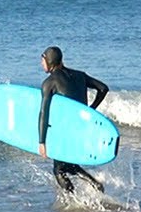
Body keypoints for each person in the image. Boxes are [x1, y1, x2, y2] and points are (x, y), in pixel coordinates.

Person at [38, 46, 108, 194]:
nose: (41, 63)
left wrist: (42, 142)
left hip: (65, 129)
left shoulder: (49, 83)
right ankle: (94, 184)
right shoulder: (80, 75)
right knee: (69, 165)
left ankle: (72, 199)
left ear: (48, 61)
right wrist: (91, 110)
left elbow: (44, 112)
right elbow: (103, 88)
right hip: (81, 128)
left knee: (58, 169)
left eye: (42, 60)